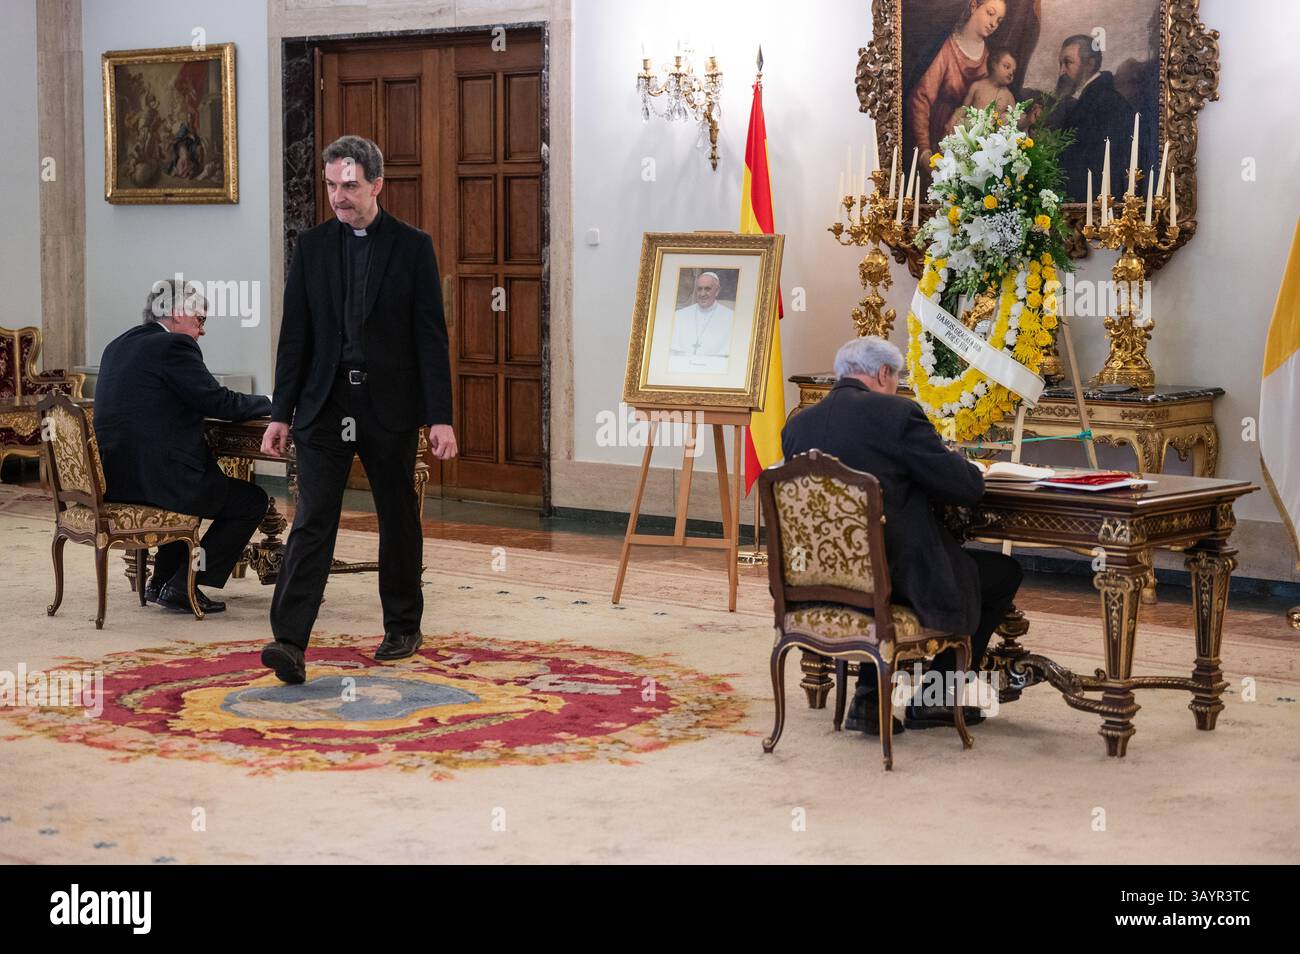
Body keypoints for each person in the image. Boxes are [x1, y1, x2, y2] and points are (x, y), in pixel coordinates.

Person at [259, 135, 458, 685]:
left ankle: (402, 625)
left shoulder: (413, 247)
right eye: (330, 186)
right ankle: (289, 641)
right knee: (313, 517)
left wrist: (438, 416)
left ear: (376, 184)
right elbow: (294, 336)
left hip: (387, 405)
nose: (339, 197)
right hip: (323, 406)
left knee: (396, 514)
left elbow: (430, 339)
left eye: (349, 186)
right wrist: (281, 413)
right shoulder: (313, 246)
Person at [780, 336, 1022, 734]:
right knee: (999, 572)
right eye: (896, 379)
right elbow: (964, 488)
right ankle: (939, 695)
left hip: (816, 583)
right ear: (882, 374)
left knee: (895, 556)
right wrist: (961, 462)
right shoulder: (896, 415)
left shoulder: (797, 426)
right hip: (892, 580)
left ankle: (869, 695)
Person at [93, 278, 271, 614]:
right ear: (176, 313)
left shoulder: (119, 344)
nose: (202, 330)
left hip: (116, 479)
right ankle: (186, 582)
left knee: (193, 486)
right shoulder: (174, 346)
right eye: (200, 320)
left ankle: (162, 581)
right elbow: (221, 404)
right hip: (158, 478)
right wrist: (273, 402)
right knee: (251, 501)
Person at [907, 0, 1008, 165]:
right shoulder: (947, 47)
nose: (993, 24)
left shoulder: (991, 59)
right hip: (936, 133)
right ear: (974, 6)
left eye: (998, 20)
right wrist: (925, 150)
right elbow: (921, 99)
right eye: (990, 13)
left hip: (968, 147)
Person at [1049, 34, 1145, 202]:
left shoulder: (1107, 102)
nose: (1061, 71)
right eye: (1060, 64)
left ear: (1090, 64)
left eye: (1068, 62)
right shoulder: (1090, 99)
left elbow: (1101, 167)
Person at [668, 271, 734, 374]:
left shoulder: (731, 318)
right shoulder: (679, 315)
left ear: (717, 291)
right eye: (699, 289)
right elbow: (671, 356)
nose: (702, 294)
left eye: (707, 289)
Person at [946, 47, 1018, 135]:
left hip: (988, 137)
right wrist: (953, 119)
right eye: (1007, 67)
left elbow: (1016, 118)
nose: (1011, 73)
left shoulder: (1008, 96)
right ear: (994, 64)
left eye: (1013, 72)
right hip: (969, 130)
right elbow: (964, 108)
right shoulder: (977, 86)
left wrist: (1028, 119)